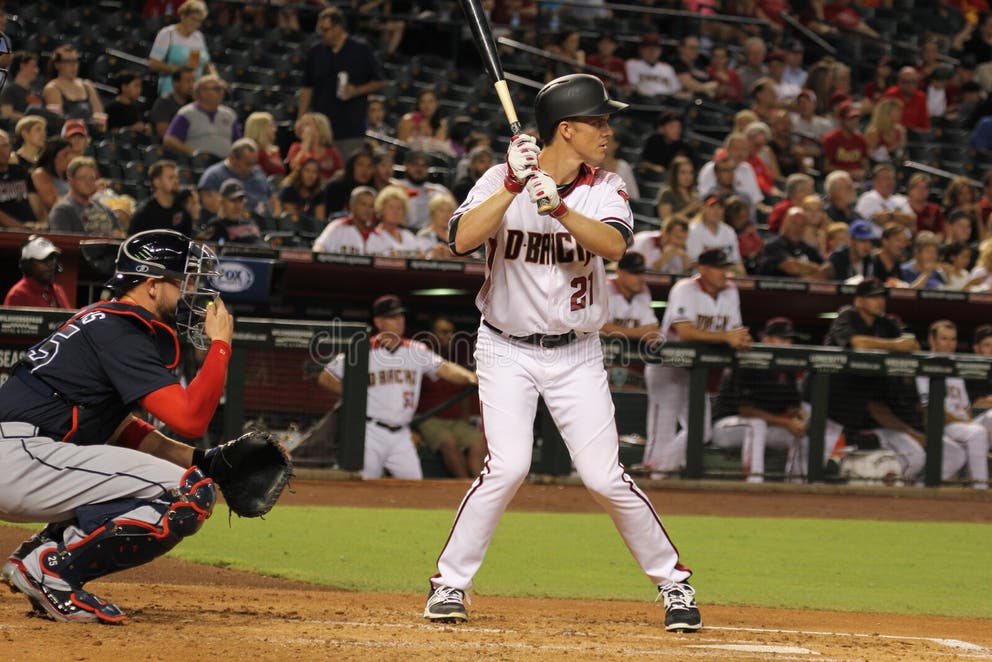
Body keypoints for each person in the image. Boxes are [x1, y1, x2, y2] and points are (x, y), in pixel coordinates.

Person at [426, 74, 703, 633]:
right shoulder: (499, 178)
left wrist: (560, 211)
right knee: (507, 467)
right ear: (566, 129)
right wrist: (510, 184)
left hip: (576, 353)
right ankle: (449, 585)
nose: (608, 131)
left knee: (604, 477)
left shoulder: (605, 187)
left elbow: (615, 245)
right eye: (598, 122)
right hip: (506, 348)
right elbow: (458, 239)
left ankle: (674, 584)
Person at [0, 229, 234, 623]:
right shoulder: (121, 328)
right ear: (153, 286)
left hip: (24, 454)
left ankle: (35, 559)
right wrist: (220, 346)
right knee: (189, 493)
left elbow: (122, 429)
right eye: (183, 283)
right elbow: (190, 418)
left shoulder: (105, 321)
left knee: (171, 477)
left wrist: (201, 459)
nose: (192, 296)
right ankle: (52, 570)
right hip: (19, 457)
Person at [822, 279, 966, 484]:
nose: (879, 302)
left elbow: (912, 344)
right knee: (813, 459)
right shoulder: (847, 316)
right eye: (873, 297)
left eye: (881, 297)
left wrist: (892, 345)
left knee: (926, 455)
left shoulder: (886, 323)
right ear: (859, 300)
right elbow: (859, 344)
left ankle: (897, 492)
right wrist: (894, 345)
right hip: (829, 398)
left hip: (867, 404)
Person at [318, 295, 477, 480]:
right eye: (393, 317)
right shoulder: (362, 349)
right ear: (379, 322)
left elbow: (445, 368)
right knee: (363, 485)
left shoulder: (416, 350)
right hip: (370, 431)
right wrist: (357, 396)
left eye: (401, 316)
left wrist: (471, 377)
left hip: (401, 434)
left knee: (413, 483)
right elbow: (326, 377)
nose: (399, 321)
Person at [642, 247, 751, 479]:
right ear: (702, 269)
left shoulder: (731, 290)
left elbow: (734, 329)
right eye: (718, 268)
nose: (724, 273)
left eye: (725, 268)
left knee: (702, 430)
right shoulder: (685, 289)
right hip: (668, 366)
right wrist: (727, 337)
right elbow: (685, 331)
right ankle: (654, 479)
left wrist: (740, 337)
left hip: (694, 370)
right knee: (662, 431)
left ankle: (658, 468)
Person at [712, 317, 842, 482]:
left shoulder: (786, 369)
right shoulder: (748, 362)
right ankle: (754, 482)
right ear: (766, 340)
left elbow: (793, 405)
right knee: (756, 425)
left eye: (789, 339)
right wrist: (786, 423)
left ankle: (797, 483)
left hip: (765, 427)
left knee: (798, 434)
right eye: (782, 338)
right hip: (727, 427)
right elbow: (746, 410)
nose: (788, 343)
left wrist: (800, 420)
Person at [300, 6, 386, 160]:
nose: (322, 34)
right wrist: (301, 118)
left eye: (326, 30)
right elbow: (307, 87)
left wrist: (356, 90)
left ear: (339, 27)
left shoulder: (360, 49)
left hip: (350, 128)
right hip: (321, 129)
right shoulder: (316, 51)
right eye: (320, 30)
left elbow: (380, 81)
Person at [918, 320, 990, 489]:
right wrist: (969, 425)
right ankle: (980, 488)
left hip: (961, 426)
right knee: (977, 433)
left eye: (953, 339)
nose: (949, 344)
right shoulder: (923, 367)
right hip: (942, 426)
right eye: (944, 338)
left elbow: (965, 408)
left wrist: (969, 423)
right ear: (932, 340)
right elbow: (930, 409)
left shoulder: (955, 369)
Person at [414, 316, 486, 479]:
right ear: (431, 335)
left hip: (455, 420)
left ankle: (478, 483)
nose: (449, 336)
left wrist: (465, 418)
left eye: (451, 332)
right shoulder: (419, 356)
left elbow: (465, 394)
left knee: (477, 441)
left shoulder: (457, 357)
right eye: (444, 332)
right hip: (428, 419)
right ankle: (463, 484)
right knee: (449, 442)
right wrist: (412, 428)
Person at [148, 0, 217, 97]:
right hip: (171, 91)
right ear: (183, 16)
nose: (196, 24)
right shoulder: (167, 34)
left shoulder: (199, 36)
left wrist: (215, 78)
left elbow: (207, 63)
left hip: (194, 92)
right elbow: (153, 64)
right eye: (193, 19)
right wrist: (176, 69)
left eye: (199, 21)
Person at [164, 75, 242, 160]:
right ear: (201, 92)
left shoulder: (229, 114)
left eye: (221, 89)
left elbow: (238, 142)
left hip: (225, 165)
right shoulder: (187, 113)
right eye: (217, 89)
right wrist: (193, 152)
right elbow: (170, 140)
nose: (221, 92)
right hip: (197, 165)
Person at [197, 138, 279, 217]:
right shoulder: (213, 176)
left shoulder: (258, 172)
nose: (252, 168)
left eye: (254, 163)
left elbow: (273, 200)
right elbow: (211, 206)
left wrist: (275, 220)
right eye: (248, 164)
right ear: (233, 158)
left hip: (266, 224)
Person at [48, 157, 122, 237]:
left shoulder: (105, 209)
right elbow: (62, 243)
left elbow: (120, 234)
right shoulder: (62, 211)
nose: (88, 182)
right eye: (83, 178)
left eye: (91, 178)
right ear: (70, 180)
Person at [42, 44, 105, 128]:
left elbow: (99, 115)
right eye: (68, 61)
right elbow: (57, 121)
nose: (73, 65)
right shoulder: (52, 88)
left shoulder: (87, 85)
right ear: (57, 65)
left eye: (75, 61)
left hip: (90, 133)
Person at [601, 252, 660, 341]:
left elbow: (651, 327)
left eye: (642, 272)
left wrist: (650, 335)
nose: (641, 278)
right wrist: (638, 333)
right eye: (635, 273)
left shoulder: (643, 290)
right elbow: (600, 328)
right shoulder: (604, 288)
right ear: (619, 272)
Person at [757, 206, 829, 279]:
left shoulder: (809, 248)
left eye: (802, 225)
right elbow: (792, 267)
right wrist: (815, 270)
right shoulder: (772, 245)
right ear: (785, 222)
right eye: (794, 223)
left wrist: (808, 276)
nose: (798, 228)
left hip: (805, 290)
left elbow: (827, 270)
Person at [390, 150, 454, 231]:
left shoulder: (438, 189)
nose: (419, 169)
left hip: (432, 233)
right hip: (404, 232)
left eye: (424, 166)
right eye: (415, 164)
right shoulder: (396, 186)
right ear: (406, 165)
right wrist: (416, 192)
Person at [2, 235, 71, 308]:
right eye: (44, 260)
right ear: (28, 265)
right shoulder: (18, 294)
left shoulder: (58, 290)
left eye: (52, 258)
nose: (50, 264)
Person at [129, 160, 193, 236]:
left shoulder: (182, 212)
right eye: (171, 177)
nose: (176, 181)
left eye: (177, 177)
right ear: (157, 182)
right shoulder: (143, 214)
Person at [686, 195, 745, 273]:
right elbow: (694, 262)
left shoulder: (729, 231)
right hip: (701, 276)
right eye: (712, 207)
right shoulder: (694, 230)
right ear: (703, 208)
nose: (716, 211)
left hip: (727, 275)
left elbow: (737, 261)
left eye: (719, 208)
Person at [312, 185, 376, 254]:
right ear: (352, 205)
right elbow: (318, 248)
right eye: (363, 204)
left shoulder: (377, 233)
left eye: (371, 206)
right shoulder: (337, 226)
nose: (367, 210)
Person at [855, 164, 915, 237]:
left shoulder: (900, 199)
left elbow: (911, 220)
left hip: (904, 242)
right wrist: (899, 218)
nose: (890, 181)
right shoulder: (867, 198)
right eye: (886, 178)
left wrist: (889, 216)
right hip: (877, 242)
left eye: (892, 178)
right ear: (875, 181)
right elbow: (879, 220)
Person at [0, 129, 44, 228]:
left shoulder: (20, 171)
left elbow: (35, 201)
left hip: (31, 230)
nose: (1, 151)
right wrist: (21, 228)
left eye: (5, 146)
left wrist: (42, 222)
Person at [202, 179, 266, 245]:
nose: (237, 205)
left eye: (240, 200)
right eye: (233, 200)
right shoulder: (216, 226)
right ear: (222, 201)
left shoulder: (250, 222)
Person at [286, 112, 344, 183]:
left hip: (327, 186)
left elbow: (340, 170)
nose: (303, 128)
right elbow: (294, 167)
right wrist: (306, 144)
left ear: (320, 128)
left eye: (307, 124)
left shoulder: (331, 151)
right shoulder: (296, 147)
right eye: (303, 124)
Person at [365, 184, 420, 256]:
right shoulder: (374, 236)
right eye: (391, 207)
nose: (395, 212)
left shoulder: (408, 236)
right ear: (381, 209)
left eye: (399, 208)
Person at [822, 102, 869, 182]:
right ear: (841, 119)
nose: (855, 121)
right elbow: (826, 166)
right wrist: (849, 173)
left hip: (858, 180)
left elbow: (865, 163)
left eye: (856, 118)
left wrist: (863, 172)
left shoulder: (860, 139)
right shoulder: (830, 139)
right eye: (850, 119)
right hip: (837, 180)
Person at [625, 33, 681, 100]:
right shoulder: (632, 64)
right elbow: (632, 86)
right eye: (648, 48)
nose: (652, 52)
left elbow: (676, 90)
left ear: (660, 51)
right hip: (642, 100)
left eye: (655, 49)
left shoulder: (667, 68)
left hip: (666, 102)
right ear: (641, 50)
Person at [640, 111, 694, 176]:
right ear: (661, 129)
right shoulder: (653, 141)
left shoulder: (685, 147)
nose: (677, 130)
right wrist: (654, 167)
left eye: (679, 127)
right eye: (672, 127)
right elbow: (644, 163)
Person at [31, 138, 74, 219]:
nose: (70, 158)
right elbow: (52, 202)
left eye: (71, 154)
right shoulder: (40, 173)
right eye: (66, 154)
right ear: (53, 155)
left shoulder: (68, 175)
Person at [323, 149, 375, 214]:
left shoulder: (374, 190)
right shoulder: (335, 187)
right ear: (351, 166)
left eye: (369, 166)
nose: (365, 170)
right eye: (360, 164)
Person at [148, 67, 195, 140]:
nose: (192, 85)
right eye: (188, 81)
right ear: (176, 83)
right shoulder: (163, 103)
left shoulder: (194, 103)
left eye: (193, 81)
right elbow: (164, 134)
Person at [654, 155, 701, 224]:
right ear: (675, 174)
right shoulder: (667, 193)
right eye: (683, 172)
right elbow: (666, 220)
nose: (688, 176)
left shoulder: (695, 194)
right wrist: (689, 209)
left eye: (691, 172)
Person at [883, 67, 930, 132]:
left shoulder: (921, 97)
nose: (911, 85)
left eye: (914, 82)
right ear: (899, 82)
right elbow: (882, 121)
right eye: (907, 82)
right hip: (893, 134)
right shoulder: (890, 95)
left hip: (915, 137)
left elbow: (925, 125)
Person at [0, 51, 42, 122]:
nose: (37, 70)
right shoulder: (10, 90)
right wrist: (32, 119)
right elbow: (7, 114)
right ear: (22, 65)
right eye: (33, 66)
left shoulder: (36, 91)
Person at [417, 192, 460, 259]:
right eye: (441, 211)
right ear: (432, 214)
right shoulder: (425, 235)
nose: (446, 215)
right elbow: (424, 257)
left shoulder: (456, 235)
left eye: (449, 211)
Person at [865, 97, 907, 164]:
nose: (900, 113)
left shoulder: (900, 130)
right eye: (897, 110)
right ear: (886, 113)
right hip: (877, 166)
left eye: (900, 110)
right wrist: (891, 148)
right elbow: (870, 155)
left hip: (896, 165)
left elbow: (902, 149)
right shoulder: (874, 132)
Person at [244, 112, 285, 179]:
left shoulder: (273, 151)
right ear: (260, 129)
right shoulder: (252, 153)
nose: (275, 129)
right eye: (271, 126)